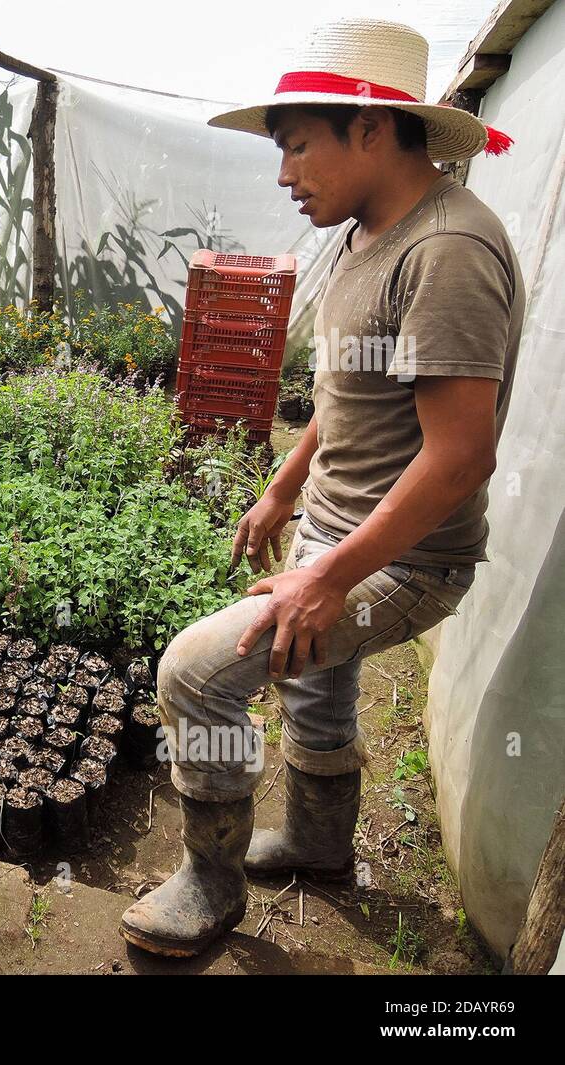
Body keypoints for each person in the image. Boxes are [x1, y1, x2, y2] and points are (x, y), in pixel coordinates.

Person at [119, 17, 524, 958]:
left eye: (298, 144)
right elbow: (351, 394)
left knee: (196, 674)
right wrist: (283, 487)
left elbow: (460, 456)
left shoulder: (450, 252)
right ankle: (318, 842)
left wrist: (329, 574)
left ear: (371, 129)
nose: (284, 172)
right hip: (340, 534)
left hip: (406, 560)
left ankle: (209, 882)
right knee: (316, 689)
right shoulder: (366, 237)